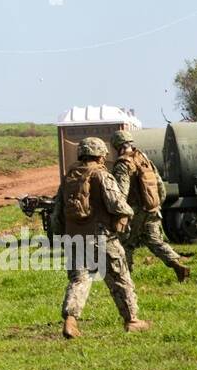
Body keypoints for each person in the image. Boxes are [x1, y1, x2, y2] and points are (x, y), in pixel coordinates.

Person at [50, 137, 149, 338]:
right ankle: (132, 320)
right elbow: (116, 204)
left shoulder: (69, 177)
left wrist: (60, 235)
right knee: (120, 277)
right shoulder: (101, 175)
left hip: (75, 239)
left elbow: (57, 213)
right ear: (100, 154)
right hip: (102, 237)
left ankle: (70, 320)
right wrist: (128, 215)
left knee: (79, 280)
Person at [110, 130, 190, 282]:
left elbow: (121, 193)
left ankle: (125, 279)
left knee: (125, 244)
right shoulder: (143, 158)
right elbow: (160, 185)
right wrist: (156, 204)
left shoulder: (123, 164)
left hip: (135, 212)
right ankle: (178, 265)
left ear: (117, 146)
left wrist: (118, 213)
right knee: (155, 241)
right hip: (152, 209)